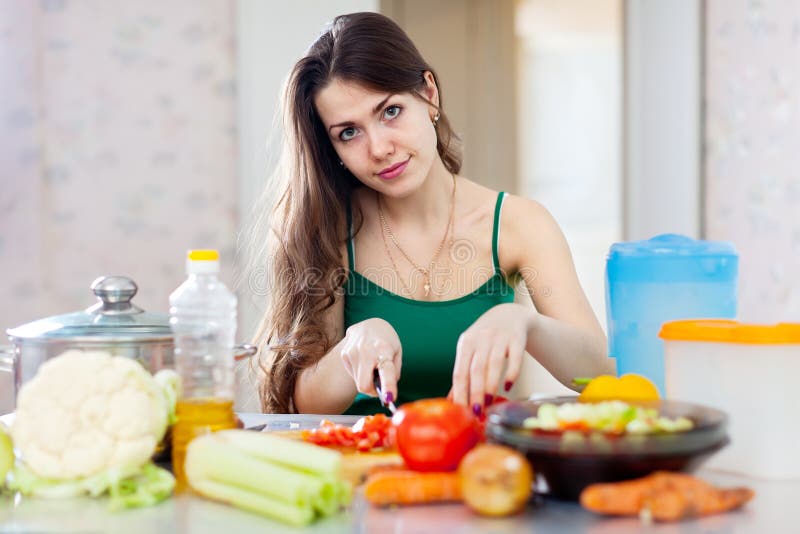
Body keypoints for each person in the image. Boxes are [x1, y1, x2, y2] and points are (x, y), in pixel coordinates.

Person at [251, 12, 614, 415]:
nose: (379, 148)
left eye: (390, 111)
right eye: (349, 133)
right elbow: (300, 404)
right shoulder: (329, 227)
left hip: (474, 466)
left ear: (428, 94)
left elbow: (599, 372)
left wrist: (525, 324)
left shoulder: (520, 225)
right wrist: (349, 349)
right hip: (358, 464)